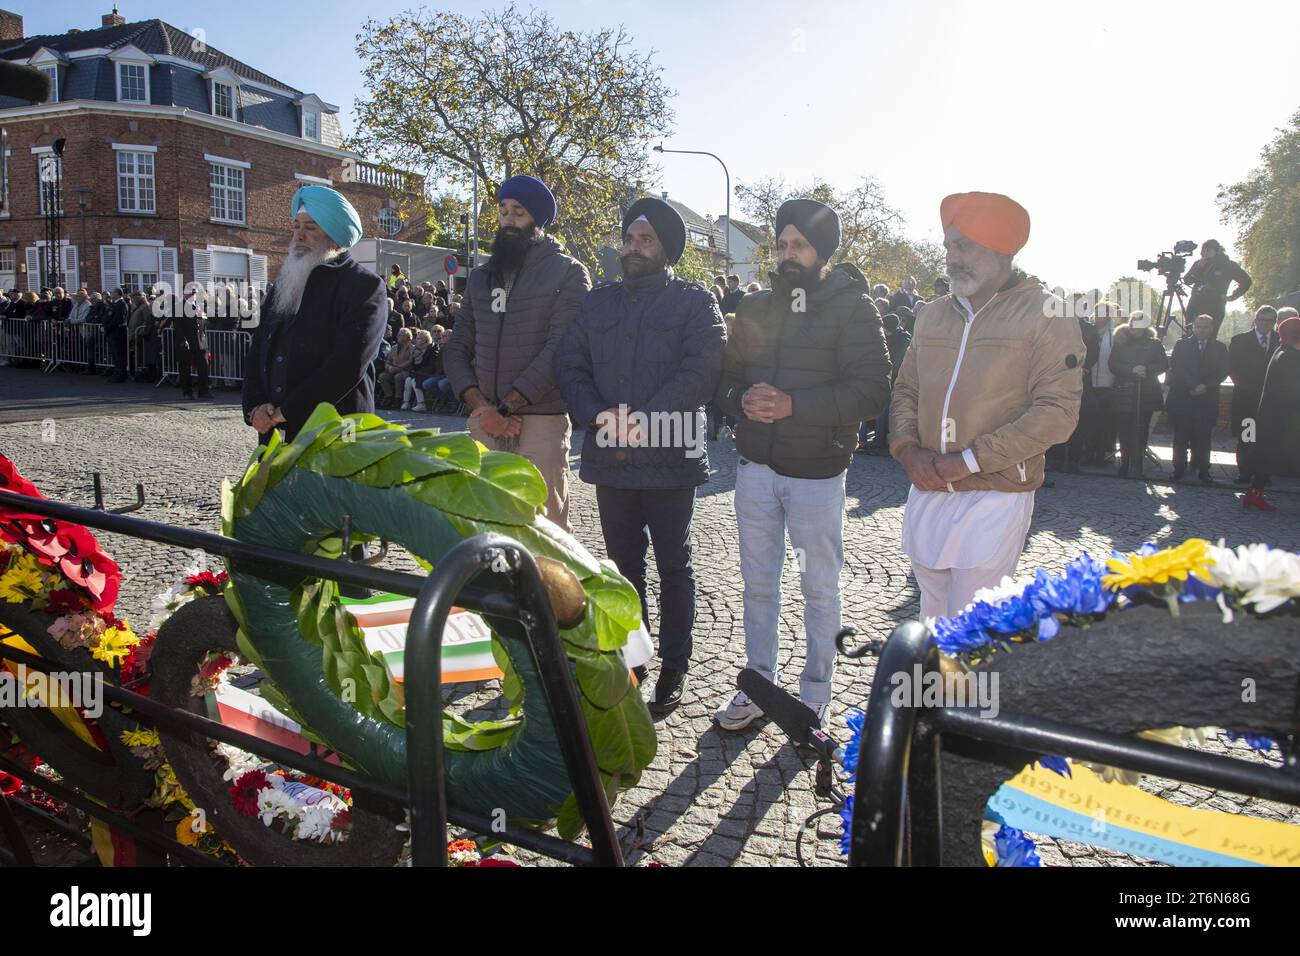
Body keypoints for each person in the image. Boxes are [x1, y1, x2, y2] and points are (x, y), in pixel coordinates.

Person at [714, 198, 892, 731]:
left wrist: (795, 406)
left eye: (800, 245)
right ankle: (758, 685)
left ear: (823, 253)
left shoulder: (854, 308)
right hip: (755, 468)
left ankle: (816, 693)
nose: (788, 254)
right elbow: (721, 379)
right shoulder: (754, 307)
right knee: (758, 584)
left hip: (818, 471)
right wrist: (737, 399)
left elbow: (873, 390)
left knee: (820, 586)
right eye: (782, 243)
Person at [554, 195, 726, 715]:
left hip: (672, 456)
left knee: (675, 566)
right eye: (629, 238)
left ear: (667, 249)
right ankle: (634, 656)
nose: (633, 248)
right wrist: (598, 413)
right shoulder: (597, 302)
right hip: (612, 458)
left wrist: (644, 418)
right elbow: (570, 364)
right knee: (623, 566)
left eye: (645, 240)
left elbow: (702, 368)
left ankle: (675, 663)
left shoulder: (695, 302)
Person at [890, 191, 1083, 622]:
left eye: (965, 245)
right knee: (931, 625)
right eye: (948, 246)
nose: (951, 257)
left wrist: (970, 461)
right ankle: (932, 692)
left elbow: (1057, 412)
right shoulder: (931, 314)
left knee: (971, 629)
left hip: (995, 493)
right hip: (927, 487)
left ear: (1001, 250)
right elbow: (905, 389)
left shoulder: (1048, 313)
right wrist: (906, 449)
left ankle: (966, 693)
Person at [442, 174, 592, 531]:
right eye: (503, 211)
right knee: (484, 523)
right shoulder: (481, 277)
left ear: (537, 221)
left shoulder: (568, 273)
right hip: (485, 421)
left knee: (546, 528)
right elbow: (457, 347)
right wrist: (482, 406)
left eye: (519, 212)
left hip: (540, 419)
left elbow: (561, 349)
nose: (508, 220)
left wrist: (506, 406)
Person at [242, 185, 387, 443]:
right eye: (296, 226)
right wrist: (255, 406)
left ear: (334, 236)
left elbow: (346, 365)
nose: (299, 235)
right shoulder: (283, 284)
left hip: (336, 434)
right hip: (274, 431)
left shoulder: (364, 287)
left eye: (310, 228)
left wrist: (285, 412)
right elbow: (259, 349)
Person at [1245, 312, 1300, 507]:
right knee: (1272, 457)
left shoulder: (1282, 351)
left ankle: (1254, 493)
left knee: (1267, 458)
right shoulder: (1290, 357)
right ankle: (1253, 493)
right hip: (1284, 417)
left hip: (1275, 416)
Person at [1166, 313, 1229, 484]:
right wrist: (1193, 385)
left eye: (1205, 327)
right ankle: (1178, 469)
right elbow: (1177, 367)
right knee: (1180, 436)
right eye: (1198, 327)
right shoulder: (1182, 345)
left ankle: (1203, 470)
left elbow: (1223, 372)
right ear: (1193, 327)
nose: (1201, 330)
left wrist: (1205, 386)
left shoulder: (1220, 348)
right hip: (1184, 397)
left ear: (1212, 328)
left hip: (1207, 398)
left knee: (1203, 437)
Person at [1107, 311, 1167, 479]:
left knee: (1142, 429)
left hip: (1147, 391)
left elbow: (1163, 363)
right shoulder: (1120, 342)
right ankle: (1125, 463)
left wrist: (1146, 369)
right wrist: (1131, 370)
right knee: (1124, 430)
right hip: (1124, 391)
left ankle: (1138, 464)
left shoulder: (1154, 344)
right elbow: (1113, 364)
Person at [1228, 305, 1279, 485]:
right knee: (1247, 438)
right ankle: (1245, 473)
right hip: (1247, 400)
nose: (1265, 324)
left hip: (1271, 403)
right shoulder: (1240, 341)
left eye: (1270, 321)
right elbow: (1232, 369)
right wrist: (1246, 387)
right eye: (1262, 320)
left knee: (1267, 440)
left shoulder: (1280, 342)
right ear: (1255, 320)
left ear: (1274, 322)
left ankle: (1264, 475)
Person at [1181, 239, 1251, 340]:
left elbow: (1246, 281)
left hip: (1215, 306)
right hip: (1195, 305)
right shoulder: (1199, 264)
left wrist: (1232, 297)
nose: (1205, 253)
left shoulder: (1228, 265)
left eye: (1208, 250)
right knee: (1190, 336)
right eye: (1204, 251)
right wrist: (1198, 268)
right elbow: (1187, 280)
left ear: (1216, 251)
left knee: (1210, 337)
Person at [1083, 299, 1120, 465]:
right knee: (1089, 421)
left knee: (1106, 421)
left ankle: (1103, 453)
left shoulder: (1117, 333)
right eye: (1097, 312)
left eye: (1103, 312)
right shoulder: (1088, 330)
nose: (1099, 316)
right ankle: (1088, 452)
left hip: (1108, 382)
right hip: (1088, 381)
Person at [172, 288, 212, 400]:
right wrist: (182, 340)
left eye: (194, 293)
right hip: (187, 341)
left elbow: (205, 324)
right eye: (190, 292)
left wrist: (203, 316)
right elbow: (178, 326)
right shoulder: (179, 306)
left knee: (203, 367)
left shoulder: (199, 306)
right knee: (185, 368)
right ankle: (187, 392)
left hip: (200, 342)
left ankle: (204, 390)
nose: (193, 295)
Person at [401, 328, 438, 410]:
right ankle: (406, 402)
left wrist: (419, 372)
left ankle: (421, 404)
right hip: (417, 372)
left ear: (425, 340)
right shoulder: (416, 350)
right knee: (408, 380)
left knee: (415, 381)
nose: (416, 340)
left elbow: (432, 366)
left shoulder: (432, 350)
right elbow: (413, 363)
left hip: (427, 373)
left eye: (418, 338)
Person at [377, 326, 413, 408]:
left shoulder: (411, 348)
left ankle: (398, 398)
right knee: (382, 377)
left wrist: (397, 368)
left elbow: (410, 362)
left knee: (398, 377)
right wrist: (388, 367)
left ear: (407, 337)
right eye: (398, 335)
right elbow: (388, 361)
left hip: (405, 371)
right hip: (392, 370)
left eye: (401, 335)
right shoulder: (394, 348)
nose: (398, 336)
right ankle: (389, 396)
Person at [103, 287, 130, 383]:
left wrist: (109, 326)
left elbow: (119, 319)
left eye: (113, 292)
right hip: (112, 332)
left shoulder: (122, 304)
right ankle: (117, 373)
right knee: (115, 355)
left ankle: (120, 375)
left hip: (118, 332)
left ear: (118, 294)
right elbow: (108, 315)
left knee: (119, 355)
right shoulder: (114, 304)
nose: (111, 294)